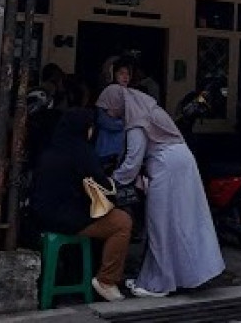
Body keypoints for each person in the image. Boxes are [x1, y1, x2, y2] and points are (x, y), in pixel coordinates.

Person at [96, 84, 224, 298]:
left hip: (167, 167)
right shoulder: (146, 107)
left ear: (116, 103)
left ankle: (160, 283)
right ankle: (180, 277)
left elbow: (133, 160)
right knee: (183, 222)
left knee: (160, 225)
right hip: (180, 164)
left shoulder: (136, 119)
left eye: (108, 108)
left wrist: (112, 181)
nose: (108, 114)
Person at [29, 108, 132, 303]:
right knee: (122, 222)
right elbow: (101, 185)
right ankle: (106, 280)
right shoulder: (82, 152)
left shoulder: (50, 150)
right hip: (68, 219)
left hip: (43, 217)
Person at [94, 58, 132, 168]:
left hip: (120, 144)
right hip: (107, 144)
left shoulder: (130, 93)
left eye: (127, 74)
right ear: (115, 74)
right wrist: (123, 123)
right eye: (121, 73)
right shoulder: (109, 91)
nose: (125, 77)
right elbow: (102, 119)